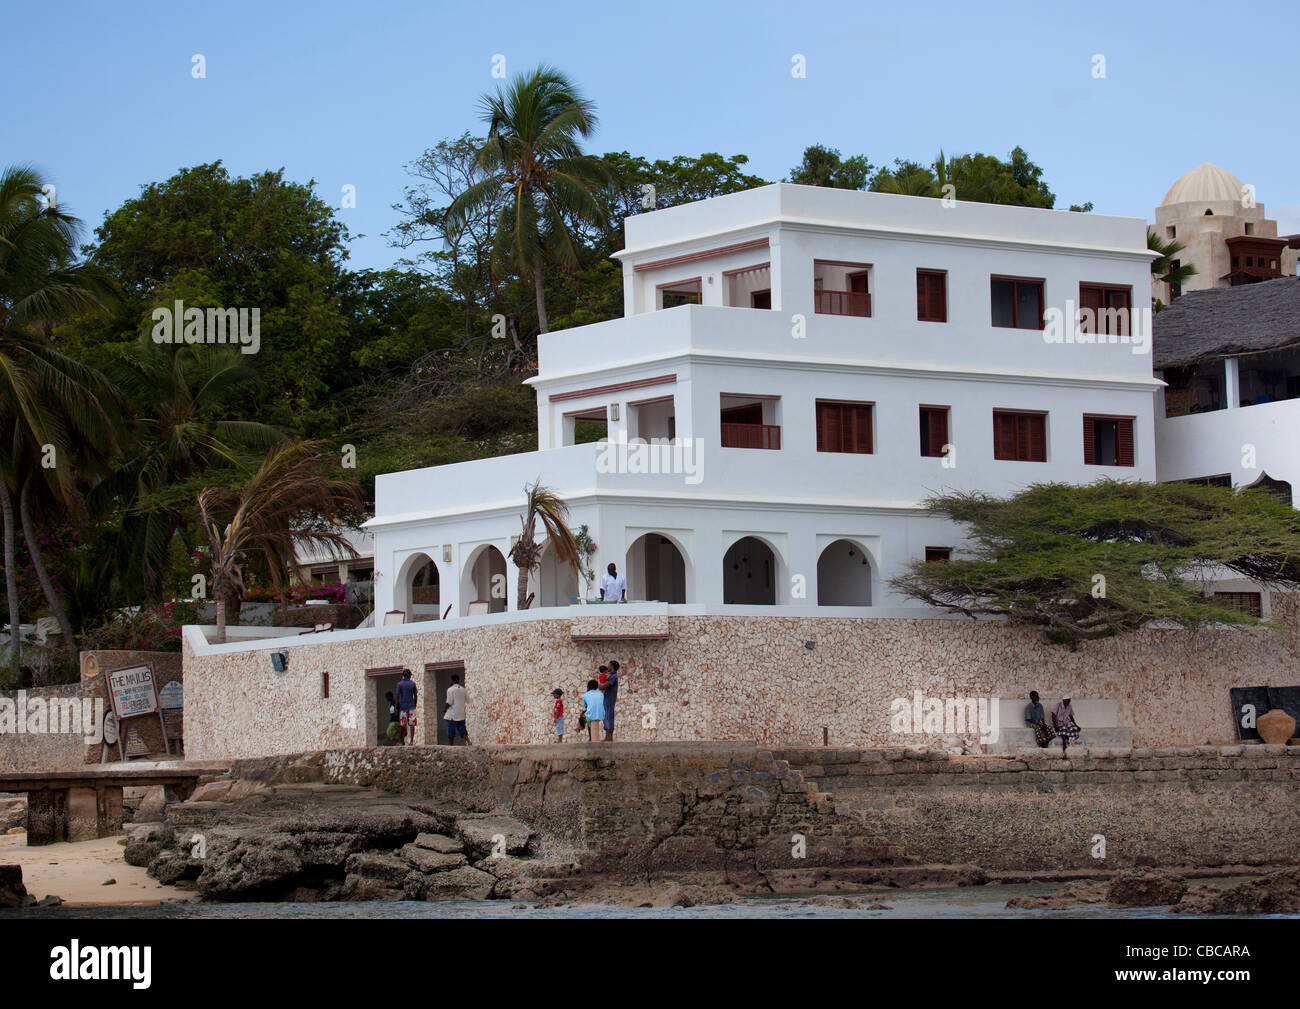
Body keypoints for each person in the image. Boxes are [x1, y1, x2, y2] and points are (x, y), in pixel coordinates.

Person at [444, 673, 471, 746]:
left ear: (452, 681)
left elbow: (449, 702)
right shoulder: (463, 689)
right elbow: (468, 700)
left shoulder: (450, 690)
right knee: (462, 730)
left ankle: (451, 745)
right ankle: (468, 741)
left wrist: (445, 709)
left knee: (451, 732)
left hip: (452, 715)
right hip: (461, 714)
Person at [394, 670, 418, 746]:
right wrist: (414, 704)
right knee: (412, 724)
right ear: (408, 675)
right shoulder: (412, 684)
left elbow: (397, 696)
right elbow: (415, 696)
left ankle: (401, 741)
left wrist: (396, 707)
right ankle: (411, 740)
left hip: (403, 707)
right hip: (411, 706)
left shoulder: (399, 684)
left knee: (402, 724)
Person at [601, 659, 621, 741]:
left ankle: (608, 736)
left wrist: (597, 685)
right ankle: (608, 736)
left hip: (609, 700)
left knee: (608, 717)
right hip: (607, 699)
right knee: (607, 717)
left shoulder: (613, 677)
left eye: (609, 665)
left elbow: (605, 686)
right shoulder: (610, 676)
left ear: (612, 667)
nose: (607, 667)